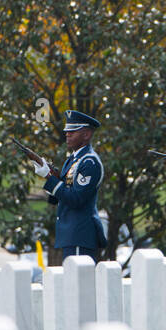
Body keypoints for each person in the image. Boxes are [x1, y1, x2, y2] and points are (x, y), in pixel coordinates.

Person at [32, 110, 107, 262]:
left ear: (86, 135)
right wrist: (52, 175)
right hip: (70, 234)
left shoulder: (89, 162)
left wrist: (48, 176)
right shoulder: (73, 159)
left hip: (80, 234)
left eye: (73, 131)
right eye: (67, 131)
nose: (67, 134)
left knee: (79, 284)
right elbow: (58, 199)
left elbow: (76, 199)